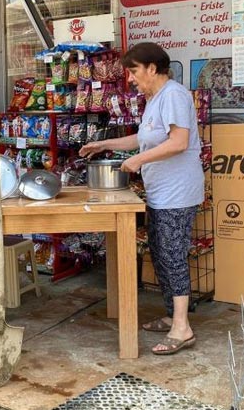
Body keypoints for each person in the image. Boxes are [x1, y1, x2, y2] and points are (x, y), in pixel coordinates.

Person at [79, 42, 204, 356]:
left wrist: (138, 161)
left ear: (152, 67)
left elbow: (179, 142)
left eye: (133, 71)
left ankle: (182, 328)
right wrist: (106, 144)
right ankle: (172, 315)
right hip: (161, 192)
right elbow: (142, 137)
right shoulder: (155, 99)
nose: (130, 79)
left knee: (173, 256)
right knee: (161, 253)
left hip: (178, 192)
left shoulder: (173, 95)